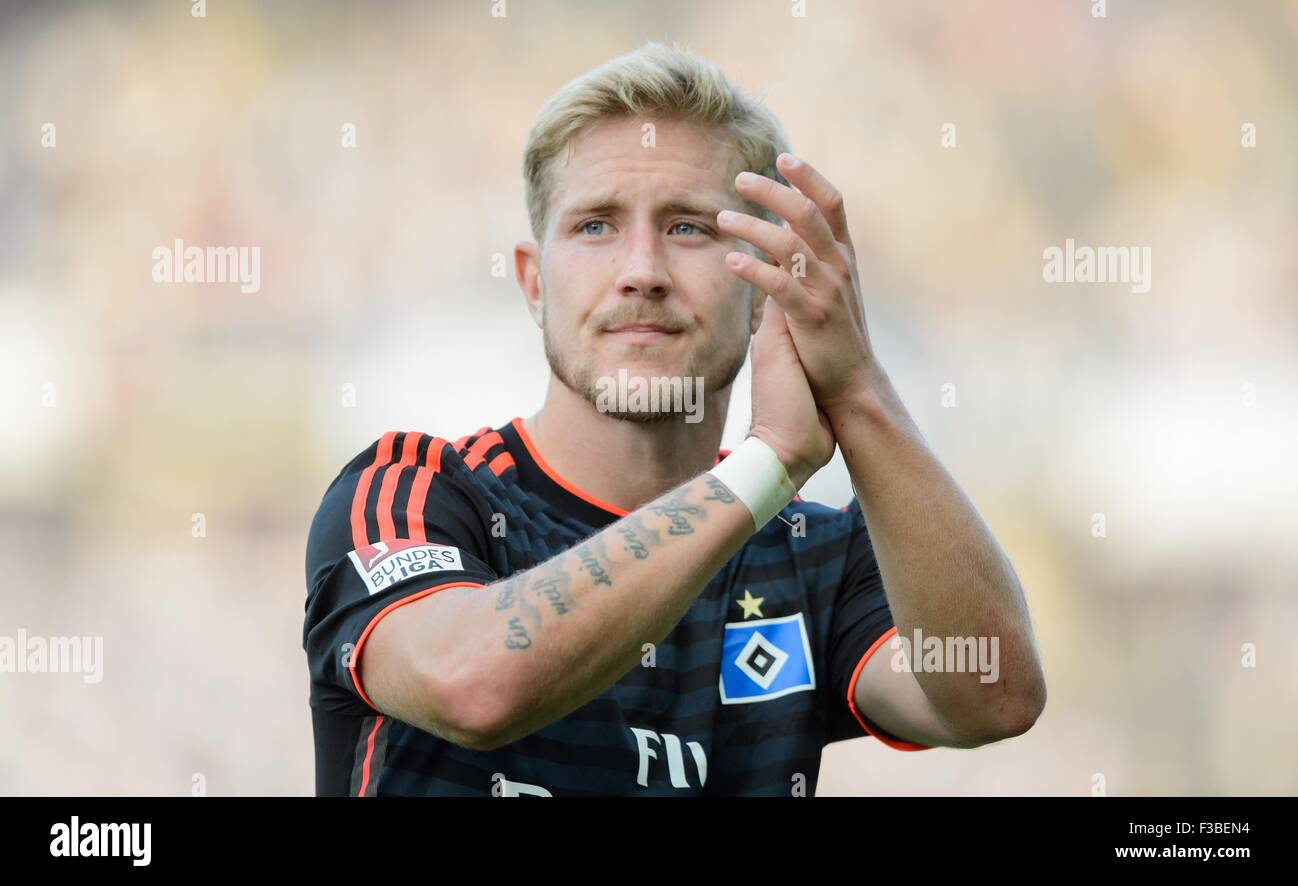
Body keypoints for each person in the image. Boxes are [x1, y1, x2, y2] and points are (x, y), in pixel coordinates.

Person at [303, 41, 1046, 797]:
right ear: (533, 283)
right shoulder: (413, 491)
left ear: (766, 292)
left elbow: (995, 695)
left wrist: (855, 389)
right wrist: (769, 463)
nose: (642, 272)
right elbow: (472, 684)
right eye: (596, 226)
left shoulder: (812, 551)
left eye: (689, 227)